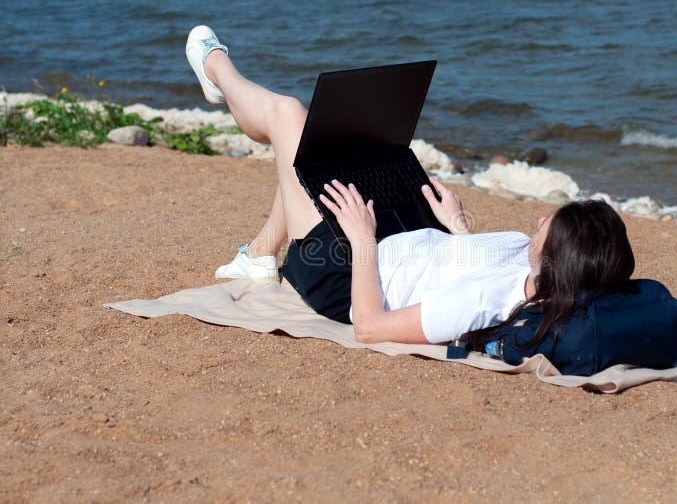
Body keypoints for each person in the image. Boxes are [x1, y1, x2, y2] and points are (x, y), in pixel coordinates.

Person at [185, 25, 635, 346]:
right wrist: (457, 228)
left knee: (287, 115)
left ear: (561, 256)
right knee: (322, 150)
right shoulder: (536, 274)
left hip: (341, 273)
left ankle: (217, 69)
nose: (538, 219)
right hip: (398, 243)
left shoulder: (479, 302)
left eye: (547, 225)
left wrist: (361, 240)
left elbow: (369, 327)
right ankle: (261, 253)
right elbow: (479, 272)